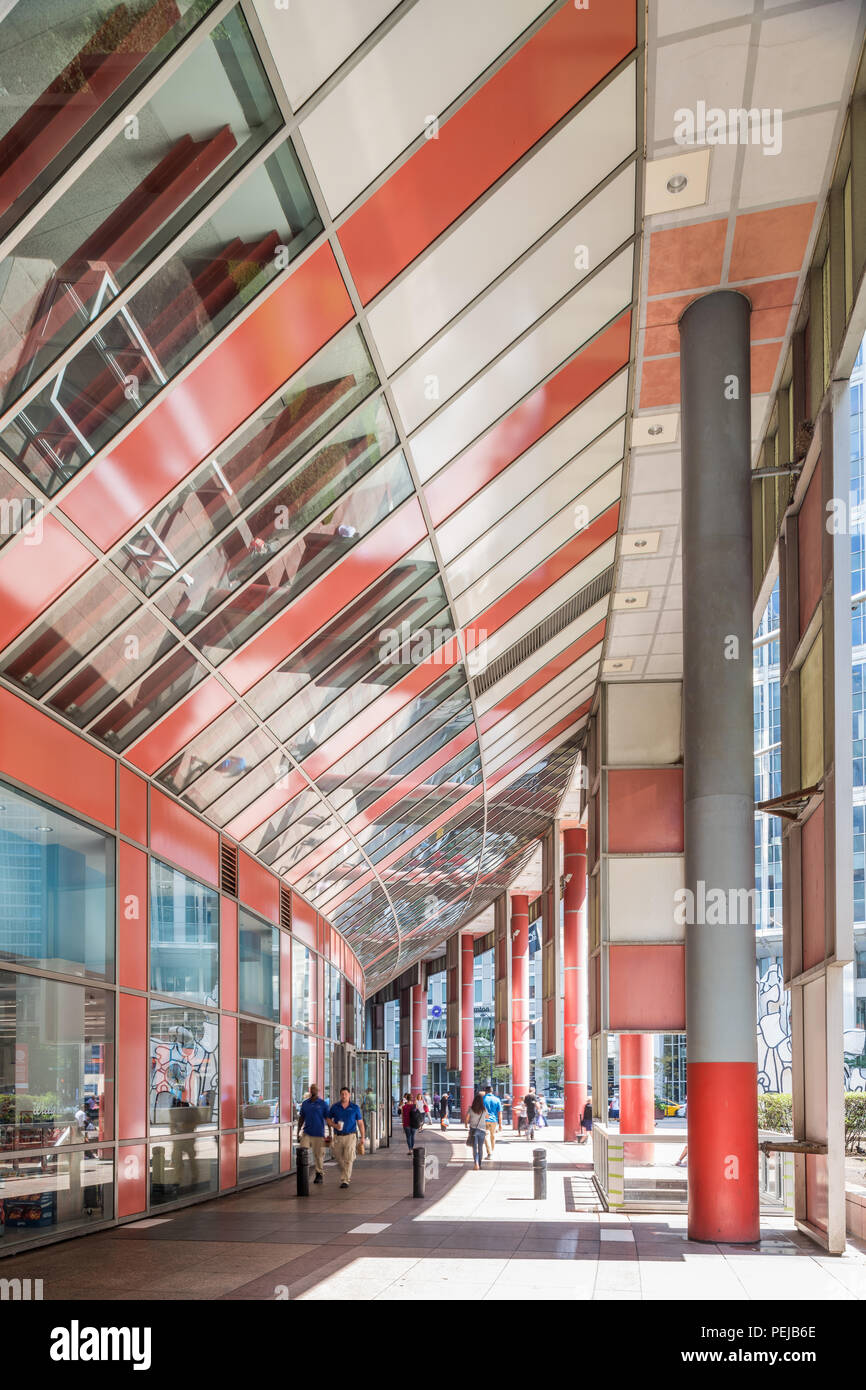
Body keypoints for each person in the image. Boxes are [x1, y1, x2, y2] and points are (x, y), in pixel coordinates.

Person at [328, 1087, 365, 1188]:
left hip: (350, 1136)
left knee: (348, 1158)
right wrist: (335, 1125)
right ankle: (346, 1170)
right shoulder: (335, 1107)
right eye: (342, 1094)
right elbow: (328, 1119)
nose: (344, 1096)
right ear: (340, 1095)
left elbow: (360, 1123)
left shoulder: (355, 1108)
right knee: (338, 1157)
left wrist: (362, 1137)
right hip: (338, 1136)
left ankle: (345, 1180)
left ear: (349, 1095)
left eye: (346, 1094)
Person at [297, 1083, 330, 1184]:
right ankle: (302, 1172)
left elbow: (328, 1119)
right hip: (307, 1133)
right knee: (302, 1151)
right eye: (312, 1089)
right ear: (310, 1090)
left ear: (318, 1090)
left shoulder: (323, 1104)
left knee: (319, 1155)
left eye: (315, 1089)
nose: (313, 1090)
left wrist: (330, 1133)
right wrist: (298, 1131)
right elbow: (301, 1118)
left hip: (319, 1134)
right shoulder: (305, 1103)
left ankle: (319, 1174)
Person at [466, 1092, 488, 1170]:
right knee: (480, 1147)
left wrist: (466, 1124)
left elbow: (467, 1118)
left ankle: (476, 1164)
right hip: (482, 1130)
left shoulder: (471, 1108)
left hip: (473, 1130)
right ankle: (480, 1164)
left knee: (474, 1147)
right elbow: (487, 1117)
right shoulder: (484, 1109)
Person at [482, 1085, 502, 1156]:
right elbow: (499, 1113)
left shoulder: (483, 1099)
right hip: (494, 1120)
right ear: (492, 1091)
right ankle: (492, 1151)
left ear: (485, 1091)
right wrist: (500, 1124)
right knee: (493, 1136)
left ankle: (489, 1153)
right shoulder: (497, 1099)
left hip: (485, 1120)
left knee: (486, 1136)